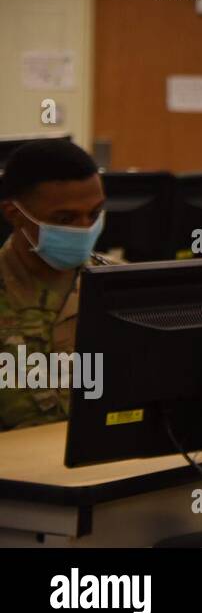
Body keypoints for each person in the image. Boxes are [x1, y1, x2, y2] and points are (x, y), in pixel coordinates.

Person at [0, 140, 109, 431]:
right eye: (65, 218)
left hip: (108, 461)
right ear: (14, 213)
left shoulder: (120, 285)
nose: (85, 227)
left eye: (95, 214)